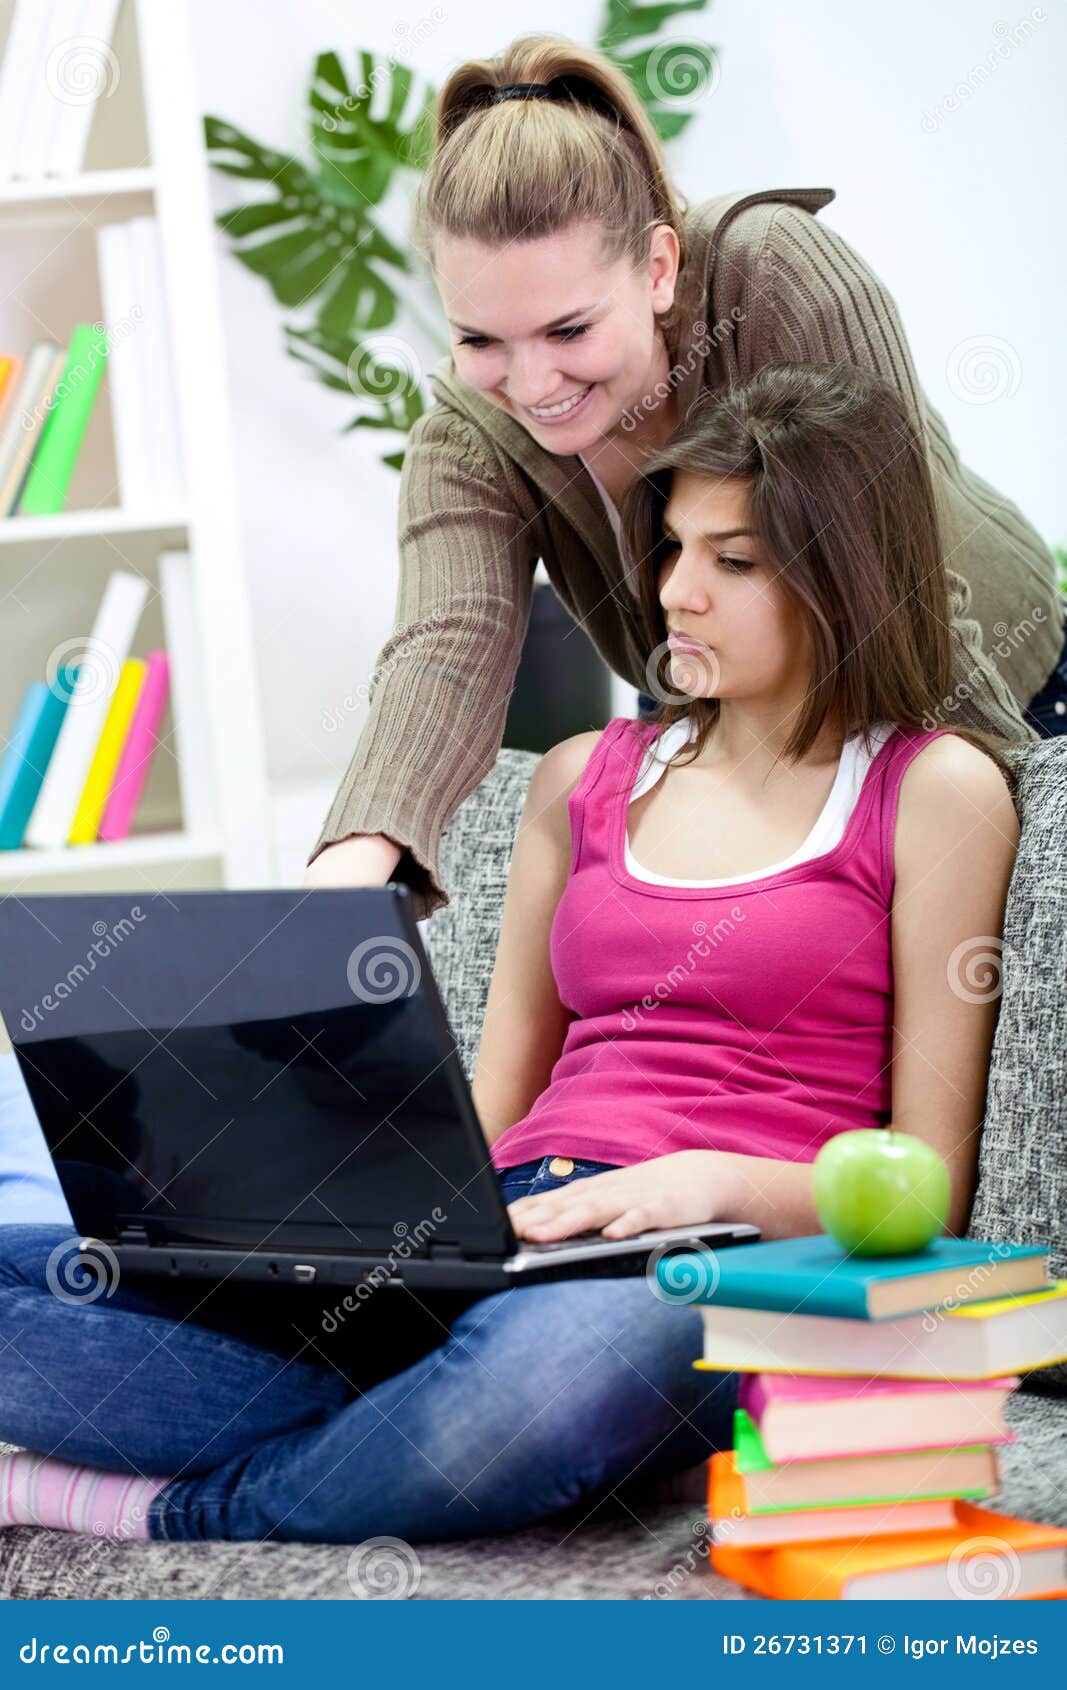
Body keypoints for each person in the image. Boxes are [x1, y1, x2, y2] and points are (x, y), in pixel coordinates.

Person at [0, 361, 1019, 1545]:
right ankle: (400, 1428)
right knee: (56, 1266)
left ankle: (170, 1503)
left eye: (732, 561)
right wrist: (339, 1224)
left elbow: (927, 1180)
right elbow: (495, 1098)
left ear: (843, 580)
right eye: (672, 546)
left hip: (700, 1263)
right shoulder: (581, 775)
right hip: (495, 1240)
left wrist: (705, 1184)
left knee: (557, 1366)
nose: (677, 592)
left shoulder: (932, 790)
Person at [301, 32, 1063, 918]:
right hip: (747, 748)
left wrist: (1025, 828)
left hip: (989, 689)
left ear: (658, 268)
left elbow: (903, 593)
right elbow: (444, 646)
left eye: (569, 331)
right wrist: (347, 874)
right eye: (479, 340)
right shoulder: (469, 439)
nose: (531, 385)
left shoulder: (776, 281)